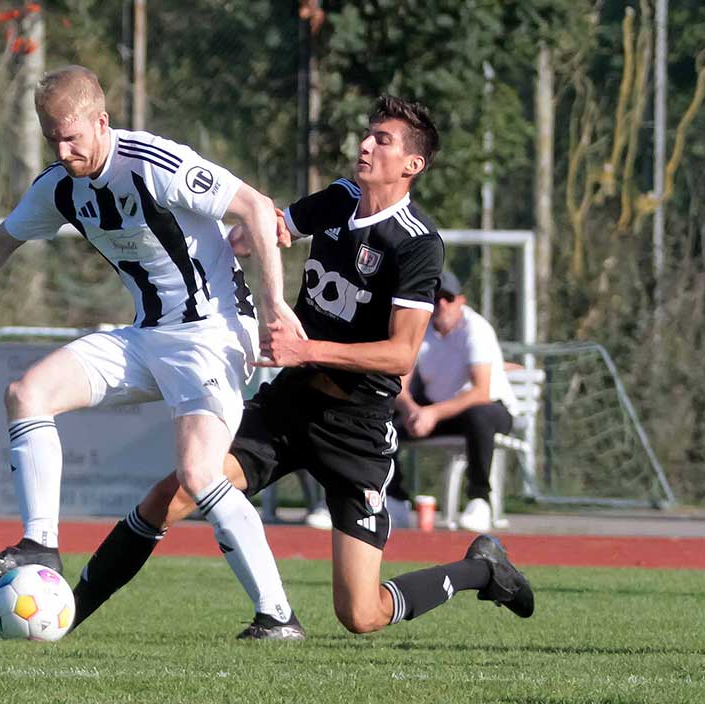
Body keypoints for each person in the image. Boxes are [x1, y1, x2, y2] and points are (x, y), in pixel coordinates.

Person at [68, 96, 534, 638]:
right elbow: (274, 226)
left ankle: (482, 569)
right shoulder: (339, 198)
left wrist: (305, 349)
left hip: (358, 426)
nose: (365, 144)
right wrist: (242, 236)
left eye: (382, 139)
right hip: (289, 405)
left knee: (360, 614)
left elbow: (401, 354)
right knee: (171, 496)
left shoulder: (416, 242)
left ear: (413, 164)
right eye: (368, 134)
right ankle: (68, 613)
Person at [0, 65, 305, 638]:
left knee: (197, 473)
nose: (63, 152)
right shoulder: (59, 186)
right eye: (52, 140)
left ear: (101, 122)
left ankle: (277, 616)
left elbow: (256, 206)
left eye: (72, 138)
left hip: (211, 335)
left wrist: (276, 304)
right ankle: (40, 546)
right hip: (144, 336)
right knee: (27, 393)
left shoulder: (154, 163)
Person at [392, 271, 517, 533]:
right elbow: (400, 386)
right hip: (438, 412)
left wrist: (432, 414)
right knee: (384, 421)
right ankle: (394, 500)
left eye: (447, 298)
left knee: (479, 415)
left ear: (461, 301)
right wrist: (412, 410)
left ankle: (479, 500)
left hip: (490, 410)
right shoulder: (419, 329)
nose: (441, 304)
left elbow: (481, 391)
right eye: (435, 298)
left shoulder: (476, 328)